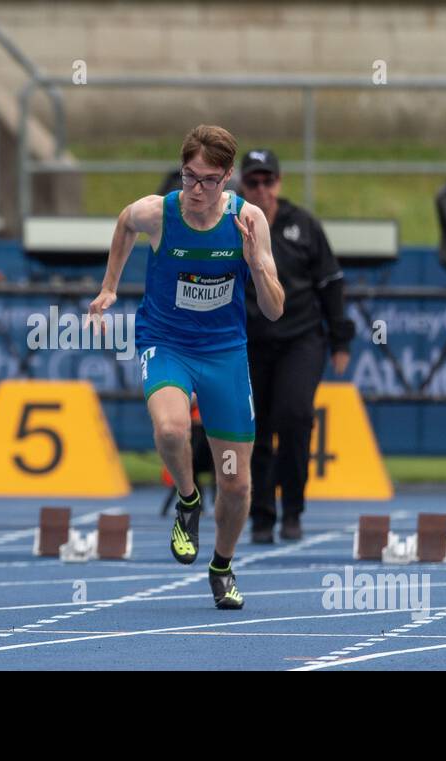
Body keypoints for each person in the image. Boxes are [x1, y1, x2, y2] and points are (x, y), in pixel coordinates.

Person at [89, 125, 284, 609]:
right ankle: (188, 499)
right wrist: (111, 285)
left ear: (228, 178)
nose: (197, 190)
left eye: (209, 181)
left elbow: (276, 309)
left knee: (237, 484)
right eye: (189, 177)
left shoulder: (249, 219)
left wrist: (253, 262)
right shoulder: (160, 212)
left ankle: (222, 565)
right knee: (172, 429)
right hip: (167, 343)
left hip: (224, 355)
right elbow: (124, 222)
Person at [238, 148, 354, 544]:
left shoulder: (302, 225)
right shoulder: (227, 225)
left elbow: (331, 283)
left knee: (293, 417)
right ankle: (261, 514)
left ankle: (293, 509)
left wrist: (340, 339)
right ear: (242, 185)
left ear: (279, 183)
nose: (261, 189)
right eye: (253, 182)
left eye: (267, 181)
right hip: (248, 340)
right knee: (252, 428)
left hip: (300, 338)